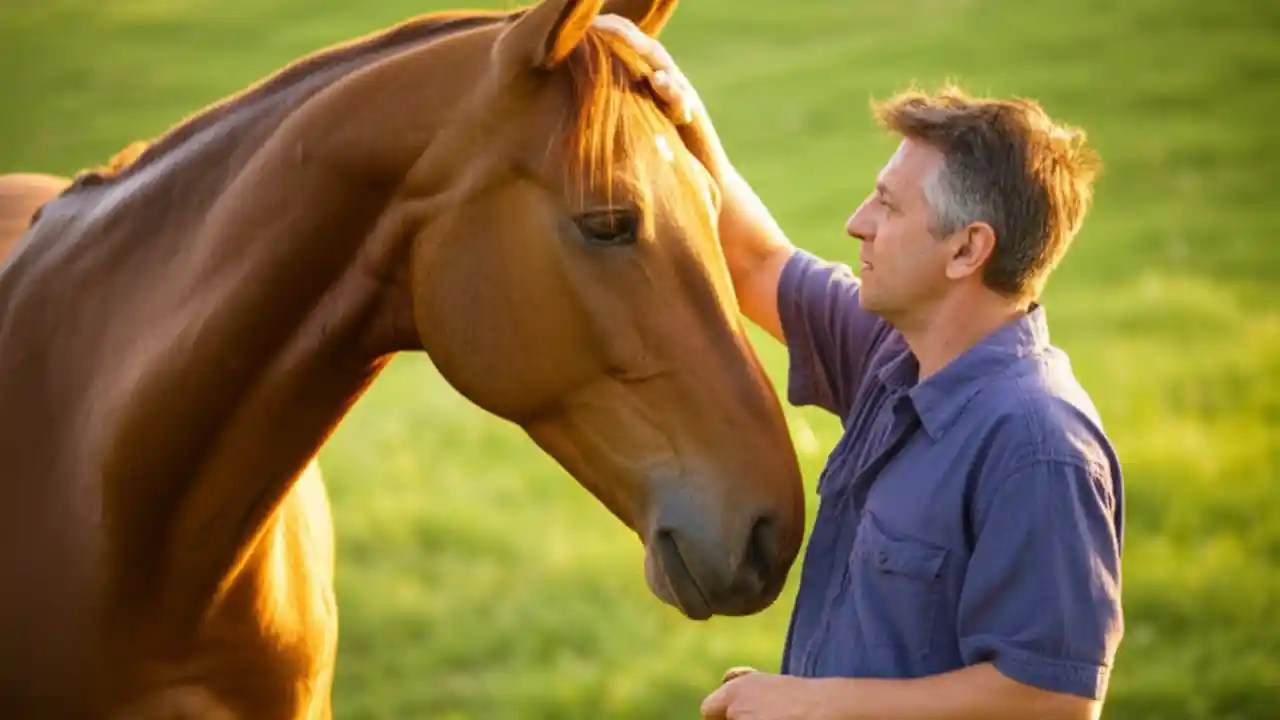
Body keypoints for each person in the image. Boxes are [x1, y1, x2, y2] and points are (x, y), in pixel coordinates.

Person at [595, 16, 1125, 720]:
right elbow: (756, 259)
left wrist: (814, 704)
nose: (856, 222)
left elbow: (1052, 699)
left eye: (888, 205)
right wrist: (678, 112)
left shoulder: (1037, 446)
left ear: (967, 250)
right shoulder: (891, 353)